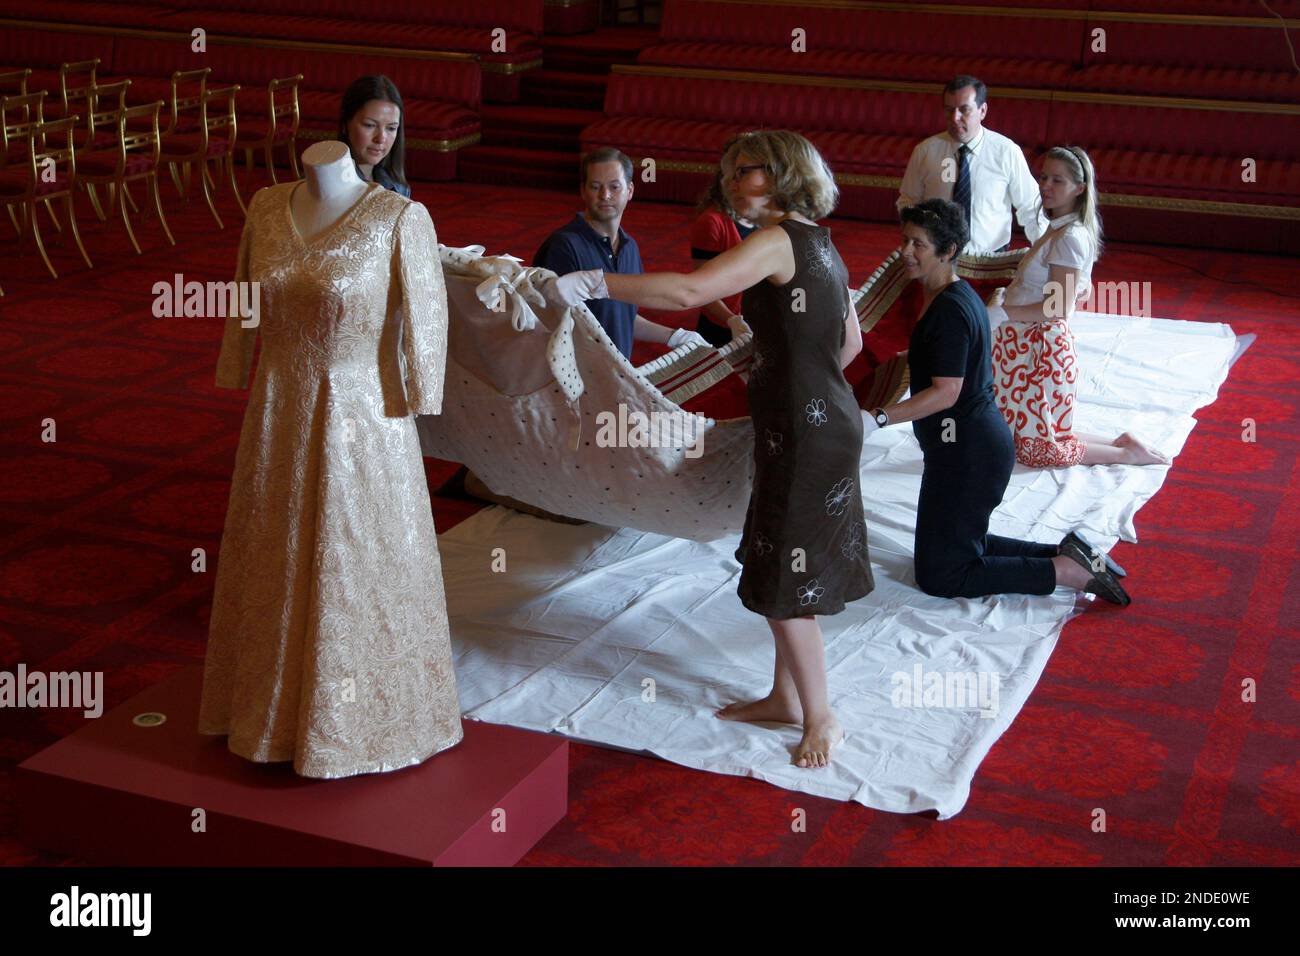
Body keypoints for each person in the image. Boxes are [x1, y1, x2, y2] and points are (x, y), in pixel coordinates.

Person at [543, 130, 873, 770]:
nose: (729, 184)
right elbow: (849, 345)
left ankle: (822, 715)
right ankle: (785, 696)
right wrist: (784, 368)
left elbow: (690, 294)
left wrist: (593, 282)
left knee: (787, 576)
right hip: (819, 421)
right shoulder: (819, 241)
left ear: (778, 173)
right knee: (783, 552)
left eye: (742, 171)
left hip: (806, 433)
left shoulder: (776, 241)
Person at [200, 140, 463, 776]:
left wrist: (423, 389)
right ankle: (268, 713)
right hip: (278, 407)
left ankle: (368, 723)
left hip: (363, 417)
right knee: (275, 551)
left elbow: (427, 317)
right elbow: (246, 303)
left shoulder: (400, 217)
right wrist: (236, 363)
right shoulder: (264, 208)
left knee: (354, 560)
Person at [865, 198, 1130, 606]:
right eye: (905, 241)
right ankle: (1069, 555)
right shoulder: (954, 294)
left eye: (918, 244)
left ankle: (1064, 571)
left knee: (942, 575)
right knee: (951, 548)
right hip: (965, 448)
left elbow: (946, 392)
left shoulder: (950, 309)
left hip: (970, 453)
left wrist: (879, 418)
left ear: (948, 251)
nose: (906, 253)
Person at [988, 145, 1168, 468]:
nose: (1045, 186)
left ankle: (1125, 454)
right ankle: (1120, 443)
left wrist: (1002, 313)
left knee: (1038, 450)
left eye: (1058, 180)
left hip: (1039, 352)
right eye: (1044, 177)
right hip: (1025, 346)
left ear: (1079, 189)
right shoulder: (1057, 229)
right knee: (1027, 436)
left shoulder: (1069, 237)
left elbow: (1056, 308)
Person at [534, 147, 708, 360]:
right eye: (595, 187)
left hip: (615, 376)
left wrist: (674, 336)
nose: (605, 196)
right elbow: (547, 324)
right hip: (576, 381)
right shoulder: (563, 247)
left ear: (630, 191)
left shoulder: (629, 248)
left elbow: (622, 317)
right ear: (583, 191)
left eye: (614, 187)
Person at [898, 75, 1045, 254]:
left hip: (991, 259)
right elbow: (908, 202)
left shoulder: (1006, 152)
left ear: (982, 111)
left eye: (964, 110)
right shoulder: (925, 152)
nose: (955, 118)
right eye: (949, 110)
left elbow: (1030, 207)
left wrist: (1043, 251)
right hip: (937, 259)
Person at [690, 139, 756, 347]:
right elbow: (703, 289)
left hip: (759, 321)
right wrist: (731, 319)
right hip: (722, 327)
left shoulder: (766, 216)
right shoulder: (712, 222)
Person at [338, 74, 411, 197]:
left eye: (391, 128)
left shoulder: (397, 187)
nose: (381, 138)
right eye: (369, 125)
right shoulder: (329, 187)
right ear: (345, 124)